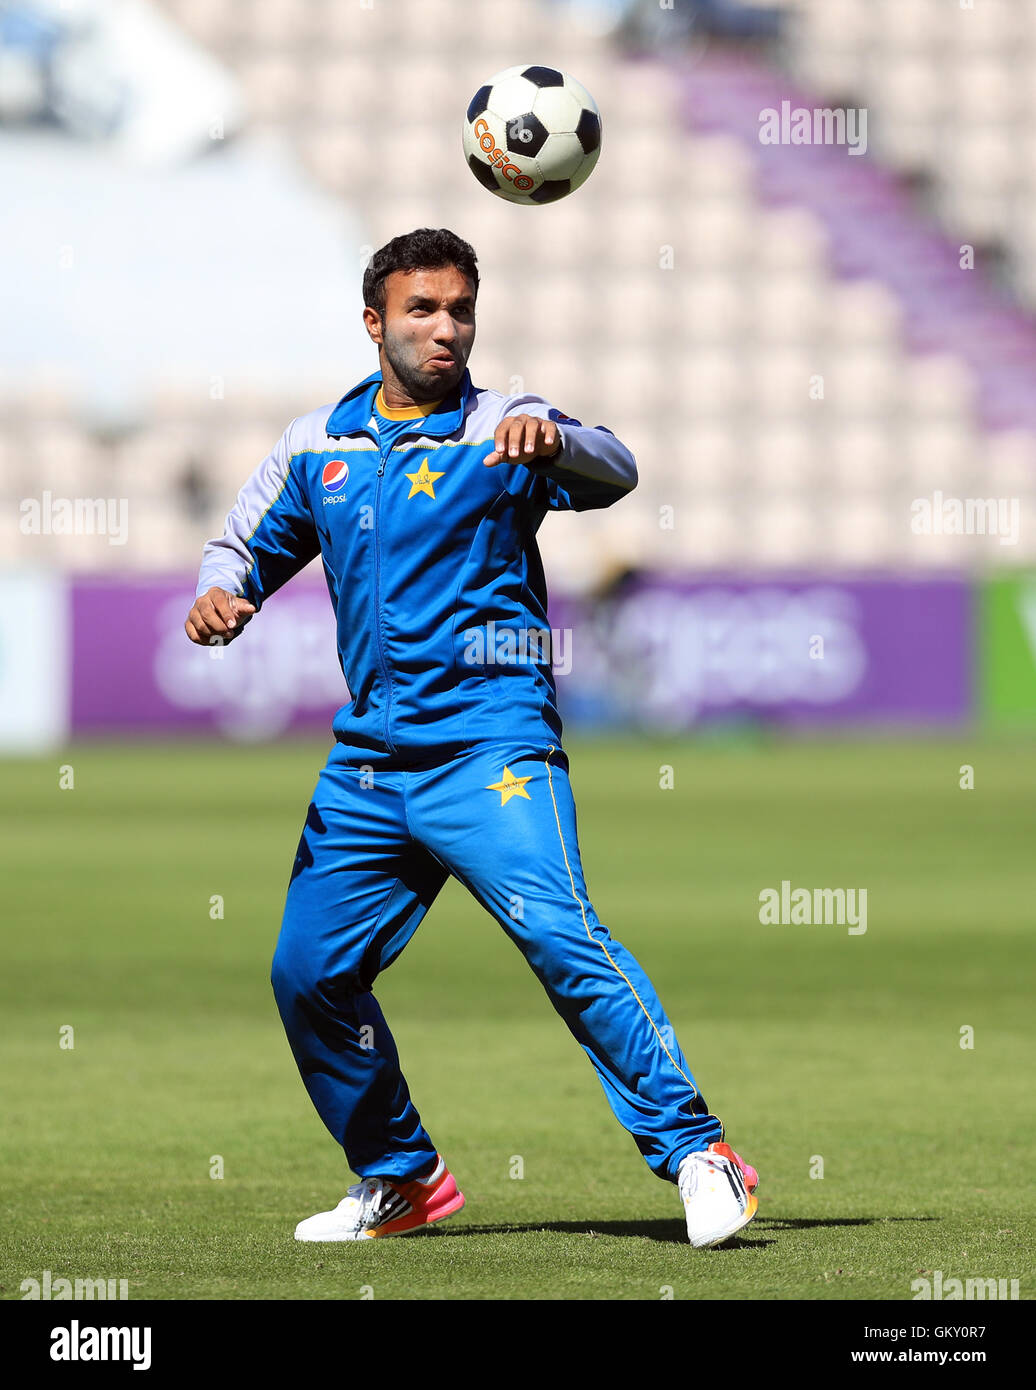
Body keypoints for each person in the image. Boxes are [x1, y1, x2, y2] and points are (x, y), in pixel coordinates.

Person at [185, 227, 758, 1247]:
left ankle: (698, 1151)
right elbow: (246, 543)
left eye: (459, 309)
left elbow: (614, 467)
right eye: (422, 309)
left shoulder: (505, 426)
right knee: (306, 973)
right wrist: (222, 594)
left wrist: (561, 443)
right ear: (374, 323)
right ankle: (400, 1175)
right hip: (368, 765)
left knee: (560, 939)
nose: (445, 328)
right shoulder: (317, 443)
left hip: (492, 749)